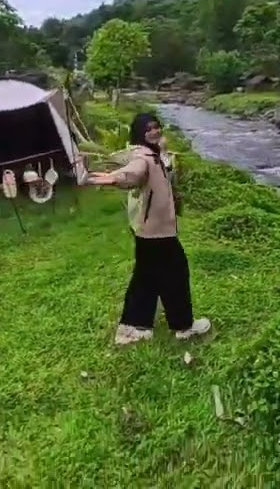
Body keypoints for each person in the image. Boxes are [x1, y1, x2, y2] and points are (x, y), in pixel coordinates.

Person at [86, 112, 211, 345]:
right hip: (155, 231)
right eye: (149, 129)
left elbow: (160, 168)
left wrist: (163, 152)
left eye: (157, 127)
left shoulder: (154, 154)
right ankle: (182, 326)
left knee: (147, 276)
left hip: (151, 229)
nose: (155, 131)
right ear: (140, 133)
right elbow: (133, 173)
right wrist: (114, 178)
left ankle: (133, 328)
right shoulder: (142, 157)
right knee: (176, 273)